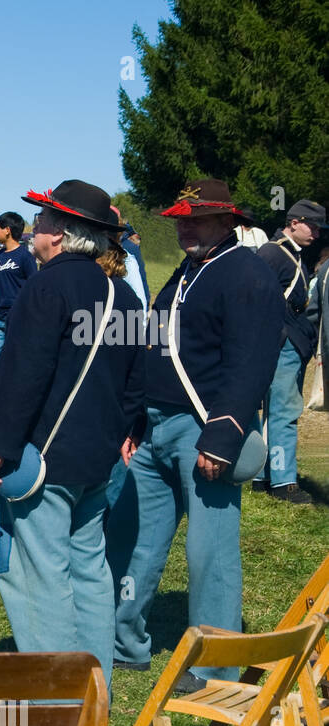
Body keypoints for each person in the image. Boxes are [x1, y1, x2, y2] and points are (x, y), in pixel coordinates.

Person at [105, 180, 284, 687]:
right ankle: (124, 640)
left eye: (198, 218)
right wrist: (136, 423)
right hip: (156, 427)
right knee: (133, 536)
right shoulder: (187, 272)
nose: (185, 225)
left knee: (210, 552)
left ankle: (215, 664)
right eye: (182, 218)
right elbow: (153, 350)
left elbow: (251, 364)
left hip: (204, 431)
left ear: (228, 221)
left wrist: (223, 436)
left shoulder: (246, 273)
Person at [0, 181, 144, 684]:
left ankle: (57, 702)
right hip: (98, 458)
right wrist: (124, 431)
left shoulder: (47, 286)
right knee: (92, 573)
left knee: (39, 576)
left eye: (44, 220)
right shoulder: (128, 295)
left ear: (62, 233)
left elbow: (22, 375)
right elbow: (138, 379)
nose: (34, 228)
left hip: (44, 458)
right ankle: (96, 691)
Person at [255, 199, 325, 503]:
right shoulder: (274, 253)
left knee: (273, 411)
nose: (317, 233)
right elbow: (255, 298)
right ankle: (283, 482)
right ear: (293, 222)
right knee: (283, 411)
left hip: (280, 340)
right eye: (311, 225)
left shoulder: (286, 253)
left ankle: (262, 475)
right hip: (281, 341)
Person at [0, 211, 37, 397]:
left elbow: (34, 287)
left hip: (18, 319)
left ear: (7, 230)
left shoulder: (25, 257)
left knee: (16, 365)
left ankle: (14, 404)